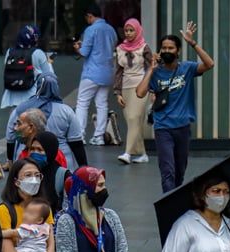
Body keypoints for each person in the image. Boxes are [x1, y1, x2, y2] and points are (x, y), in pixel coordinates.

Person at [136, 24, 215, 193]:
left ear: (178, 51)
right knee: (168, 172)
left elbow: (209, 64)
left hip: (182, 126)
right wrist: (151, 70)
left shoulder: (187, 68)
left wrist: (193, 43)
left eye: (170, 48)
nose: (166, 51)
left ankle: (176, 200)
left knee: (179, 172)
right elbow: (140, 93)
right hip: (163, 127)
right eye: (164, 48)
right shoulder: (155, 72)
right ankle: (170, 209)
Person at [5, 75, 87, 171]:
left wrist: (10, 160)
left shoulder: (21, 110)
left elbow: (10, 138)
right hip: (61, 161)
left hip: (26, 159)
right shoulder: (66, 111)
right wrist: (84, 167)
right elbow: (76, 143)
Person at [72, 4, 117, 145]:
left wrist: (78, 48)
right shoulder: (111, 29)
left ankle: (79, 135)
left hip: (92, 72)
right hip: (108, 72)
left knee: (82, 103)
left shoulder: (90, 30)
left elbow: (84, 53)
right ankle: (99, 136)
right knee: (102, 104)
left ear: (90, 16)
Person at [113, 18, 152, 165]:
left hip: (141, 86)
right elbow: (118, 72)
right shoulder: (120, 49)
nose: (128, 33)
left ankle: (128, 153)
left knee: (135, 117)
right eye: (126, 31)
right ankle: (142, 153)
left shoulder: (144, 48)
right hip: (126, 86)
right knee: (131, 120)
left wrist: (152, 89)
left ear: (138, 30)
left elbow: (151, 69)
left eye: (131, 30)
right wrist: (117, 93)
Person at [0, 25, 55, 110]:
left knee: (15, 122)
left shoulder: (9, 52)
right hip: (31, 98)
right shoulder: (38, 53)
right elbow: (49, 76)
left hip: (12, 99)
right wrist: (49, 62)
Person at [28, 131, 71, 213]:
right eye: (32, 149)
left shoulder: (62, 176)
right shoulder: (24, 172)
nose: (34, 153)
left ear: (50, 152)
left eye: (39, 150)